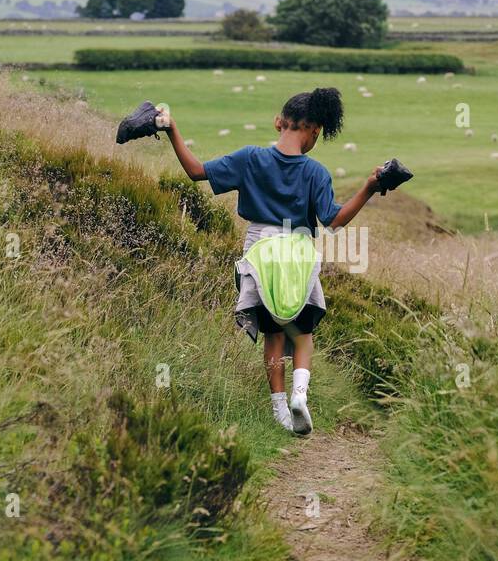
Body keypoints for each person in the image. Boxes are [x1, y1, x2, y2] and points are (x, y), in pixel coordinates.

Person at [157, 87, 383, 435]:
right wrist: (368, 186)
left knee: (274, 334)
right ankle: (300, 396)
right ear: (313, 130)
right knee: (303, 332)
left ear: (279, 122)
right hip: (297, 252)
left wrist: (172, 129)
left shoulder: (250, 158)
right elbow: (334, 223)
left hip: (261, 250)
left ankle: (279, 409)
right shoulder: (316, 172)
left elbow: (196, 171)